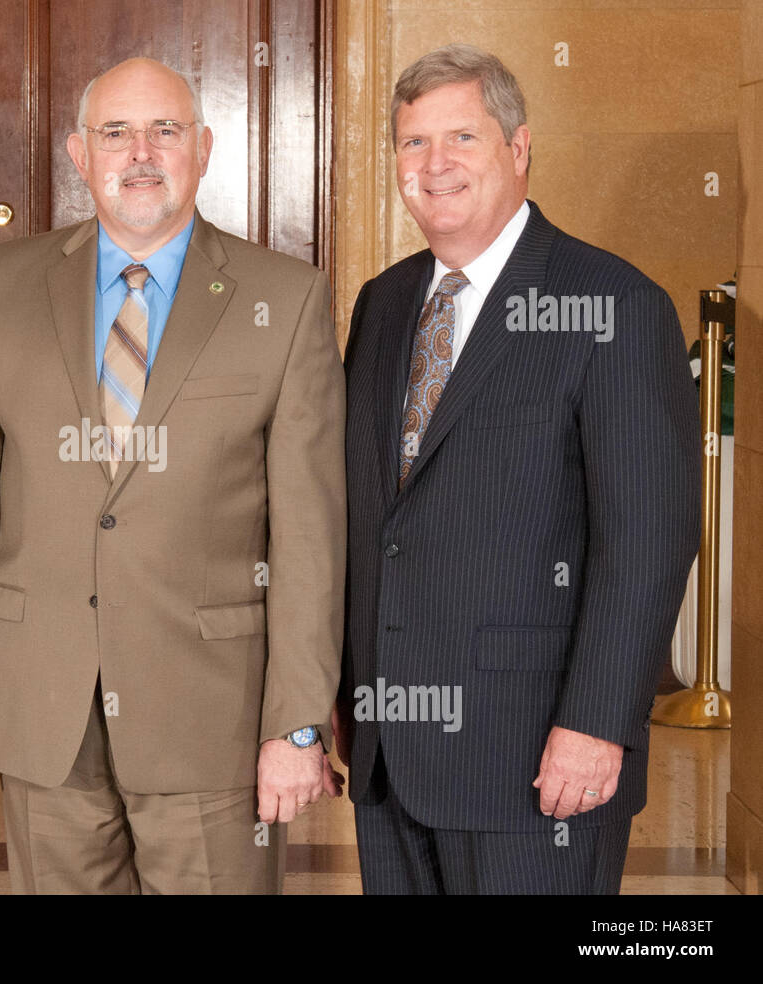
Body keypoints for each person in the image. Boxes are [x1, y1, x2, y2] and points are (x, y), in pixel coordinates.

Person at [0, 57, 346, 894]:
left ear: (204, 148)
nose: (139, 152)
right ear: (80, 154)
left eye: (165, 131)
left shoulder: (283, 301)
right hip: (41, 705)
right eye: (116, 132)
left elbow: (310, 538)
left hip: (211, 715)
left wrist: (295, 724)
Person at [334, 44, 700, 894]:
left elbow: (647, 542)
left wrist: (597, 724)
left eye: (462, 138)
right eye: (413, 143)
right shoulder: (384, 304)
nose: (435, 166)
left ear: (519, 148)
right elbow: (375, 519)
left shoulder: (613, 306)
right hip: (391, 754)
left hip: (534, 758)